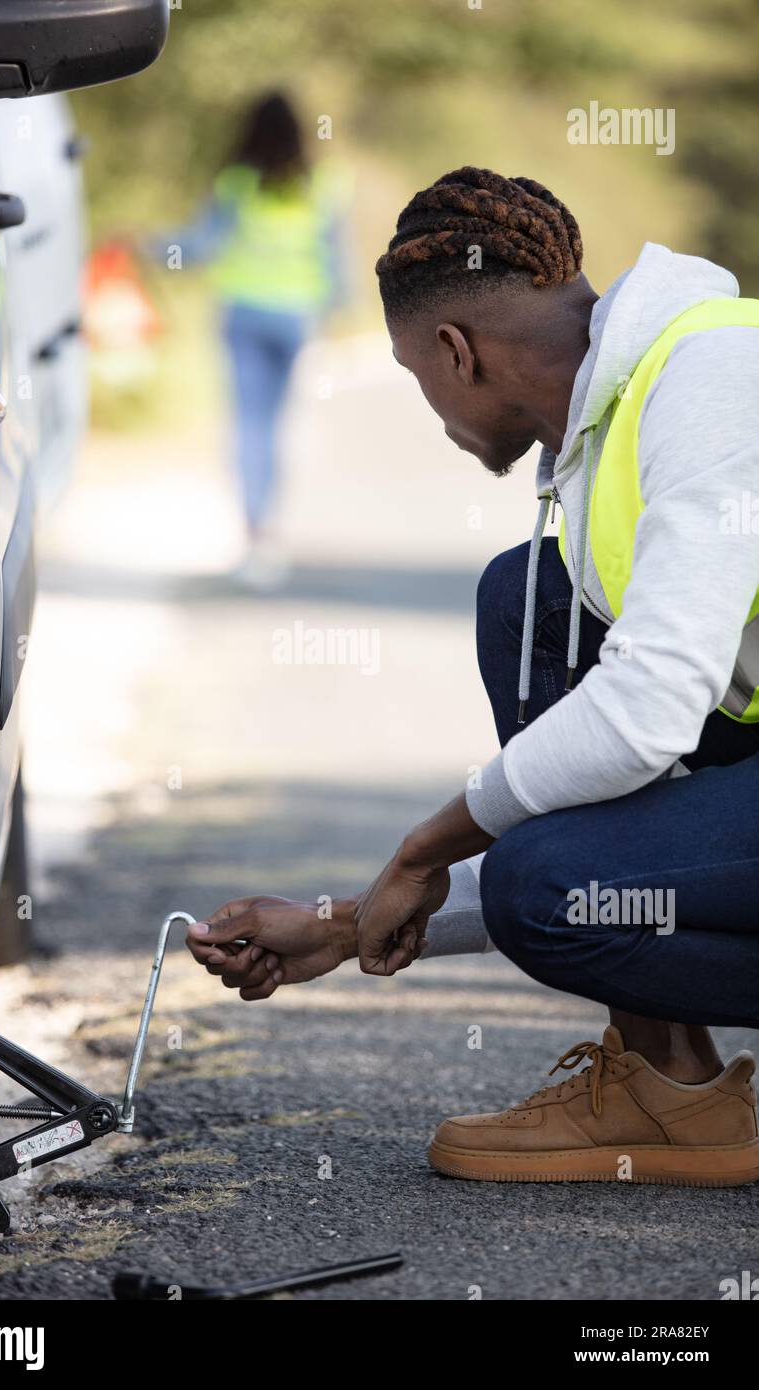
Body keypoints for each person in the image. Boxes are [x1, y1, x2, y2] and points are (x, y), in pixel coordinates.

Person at [186, 166, 759, 1186]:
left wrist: (423, 848)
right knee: (527, 601)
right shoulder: (627, 399)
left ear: (453, 351)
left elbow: (645, 716)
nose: (431, 408)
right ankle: (669, 1085)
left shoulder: (713, 379)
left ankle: (668, 1090)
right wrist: (340, 922)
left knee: (532, 879)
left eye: (417, 378)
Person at [150, 91, 348, 589]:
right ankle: (270, 534)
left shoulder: (237, 184)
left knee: (249, 427)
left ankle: (256, 534)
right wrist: (342, 313)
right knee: (279, 426)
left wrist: (151, 249)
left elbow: (200, 246)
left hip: (243, 315)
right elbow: (337, 261)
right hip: (297, 319)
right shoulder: (324, 185)